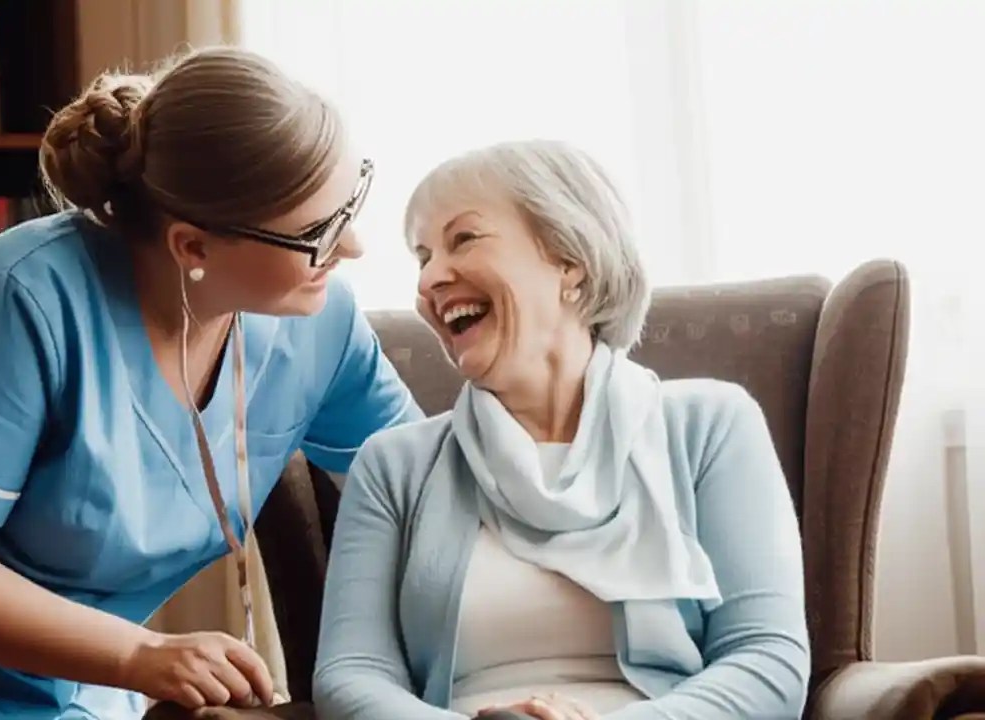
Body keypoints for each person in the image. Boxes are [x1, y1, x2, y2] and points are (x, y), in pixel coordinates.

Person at [0, 46, 421, 720]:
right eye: (318, 231)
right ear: (194, 247)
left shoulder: (320, 321)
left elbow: (425, 481)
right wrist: (139, 656)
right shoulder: (19, 298)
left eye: (352, 200)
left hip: (63, 673)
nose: (352, 247)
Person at [311, 139, 811, 720]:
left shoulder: (710, 426)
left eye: (462, 239)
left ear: (569, 261)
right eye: (422, 257)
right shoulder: (394, 465)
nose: (429, 281)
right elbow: (350, 677)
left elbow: (767, 659)